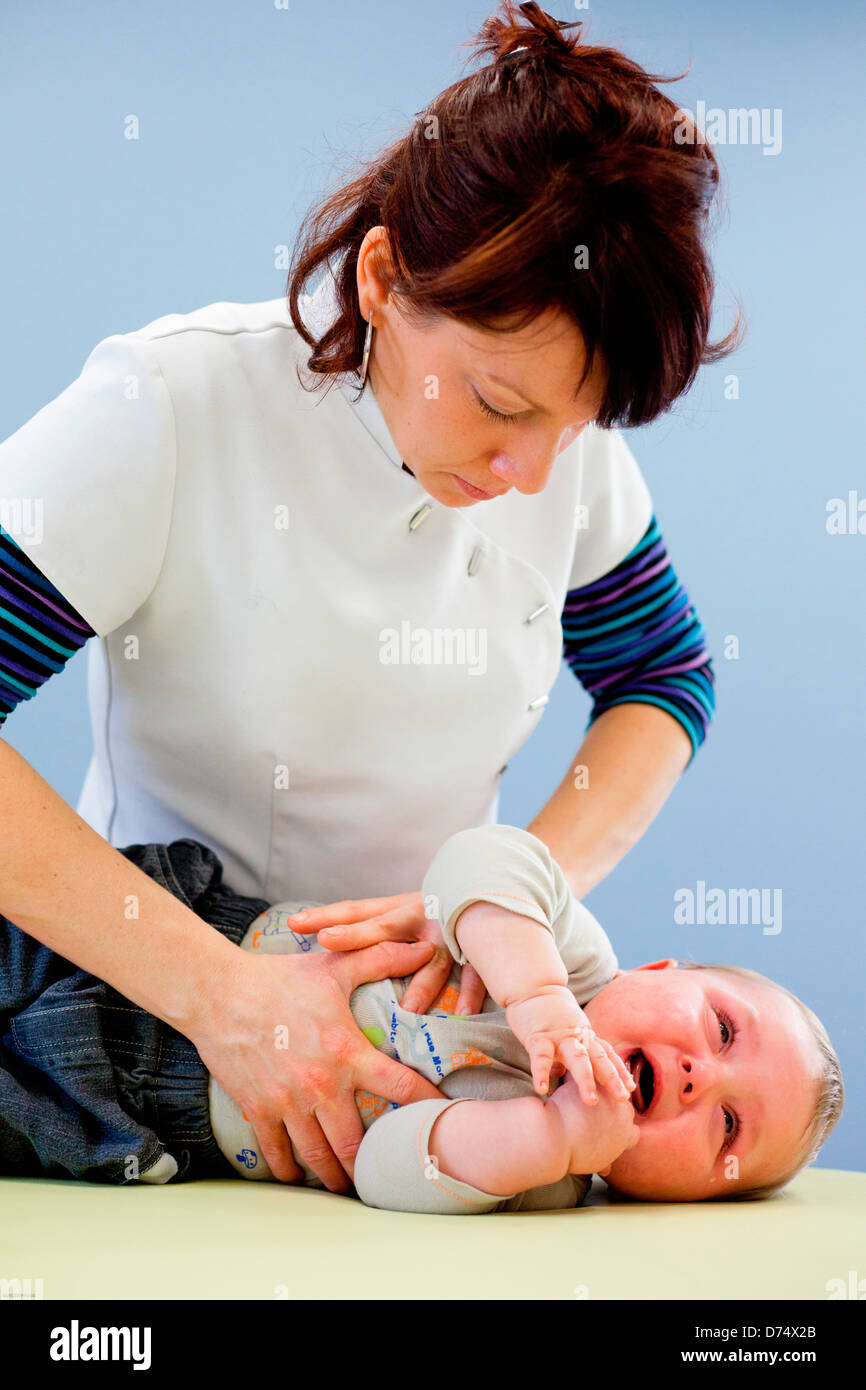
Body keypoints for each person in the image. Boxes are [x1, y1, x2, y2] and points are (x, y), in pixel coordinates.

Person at [0, 2, 741, 1193]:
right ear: (386, 277)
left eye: (577, 421)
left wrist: (510, 901)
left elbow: (661, 679)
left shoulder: (560, 450)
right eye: (500, 407)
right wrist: (224, 996)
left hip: (399, 1084)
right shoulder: (172, 408)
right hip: (154, 1021)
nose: (532, 476)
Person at [0, 824, 844, 1212]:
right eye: (724, 1030)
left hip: (121, 1108)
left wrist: (554, 1135)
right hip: (157, 933)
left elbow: (389, 1169)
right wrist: (539, 995)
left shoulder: (539, 1177)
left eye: (729, 1127)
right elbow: (482, 857)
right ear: (663, 968)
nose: (703, 1074)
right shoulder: (569, 952)